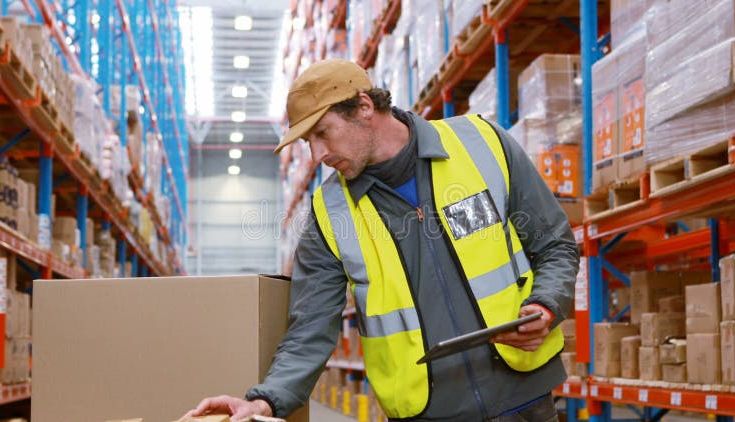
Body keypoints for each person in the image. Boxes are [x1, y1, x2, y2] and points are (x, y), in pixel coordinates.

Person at [185, 59, 579, 422]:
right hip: (424, 412)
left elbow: (555, 246)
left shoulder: (481, 144)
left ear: (363, 107)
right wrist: (265, 400)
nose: (318, 154)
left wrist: (545, 305)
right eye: (307, 143)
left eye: (322, 133)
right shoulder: (330, 212)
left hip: (525, 400)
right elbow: (310, 326)